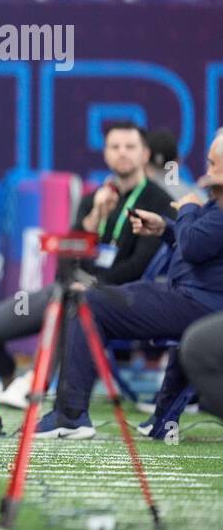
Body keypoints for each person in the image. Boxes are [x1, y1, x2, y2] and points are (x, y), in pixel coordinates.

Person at [0, 122, 174, 407]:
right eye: (115, 147)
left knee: (74, 302)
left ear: (144, 154)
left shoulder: (159, 201)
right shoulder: (94, 198)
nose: (123, 153)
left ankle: (36, 385)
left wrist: (90, 286)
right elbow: (64, 263)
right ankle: (11, 383)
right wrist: (93, 219)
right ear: (105, 154)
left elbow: (140, 265)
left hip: (119, 297)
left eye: (130, 147)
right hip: (66, 289)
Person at [36, 130, 223, 438]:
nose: (208, 171)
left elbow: (193, 246)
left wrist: (189, 208)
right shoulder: (215, 204)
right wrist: (165, 228)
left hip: (199, 303)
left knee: (88, 304)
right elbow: (203, 241)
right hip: (192, 297)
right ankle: (164, 421)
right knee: (85, 298)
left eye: (213, 165)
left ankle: (69, 415)